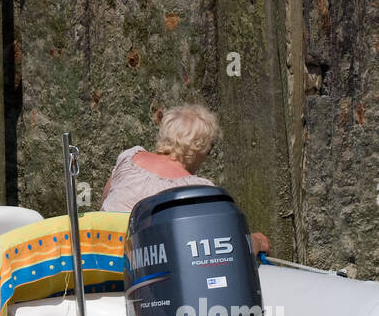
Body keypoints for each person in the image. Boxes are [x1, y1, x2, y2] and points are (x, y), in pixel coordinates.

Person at [101, 104, 271, 256]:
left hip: (100, 256)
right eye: (209, 149)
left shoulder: (130, 157)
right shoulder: (199, 188)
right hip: (145, 272)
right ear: (198, 149)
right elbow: (222, 245)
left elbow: (105, 204)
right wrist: (255, 241)